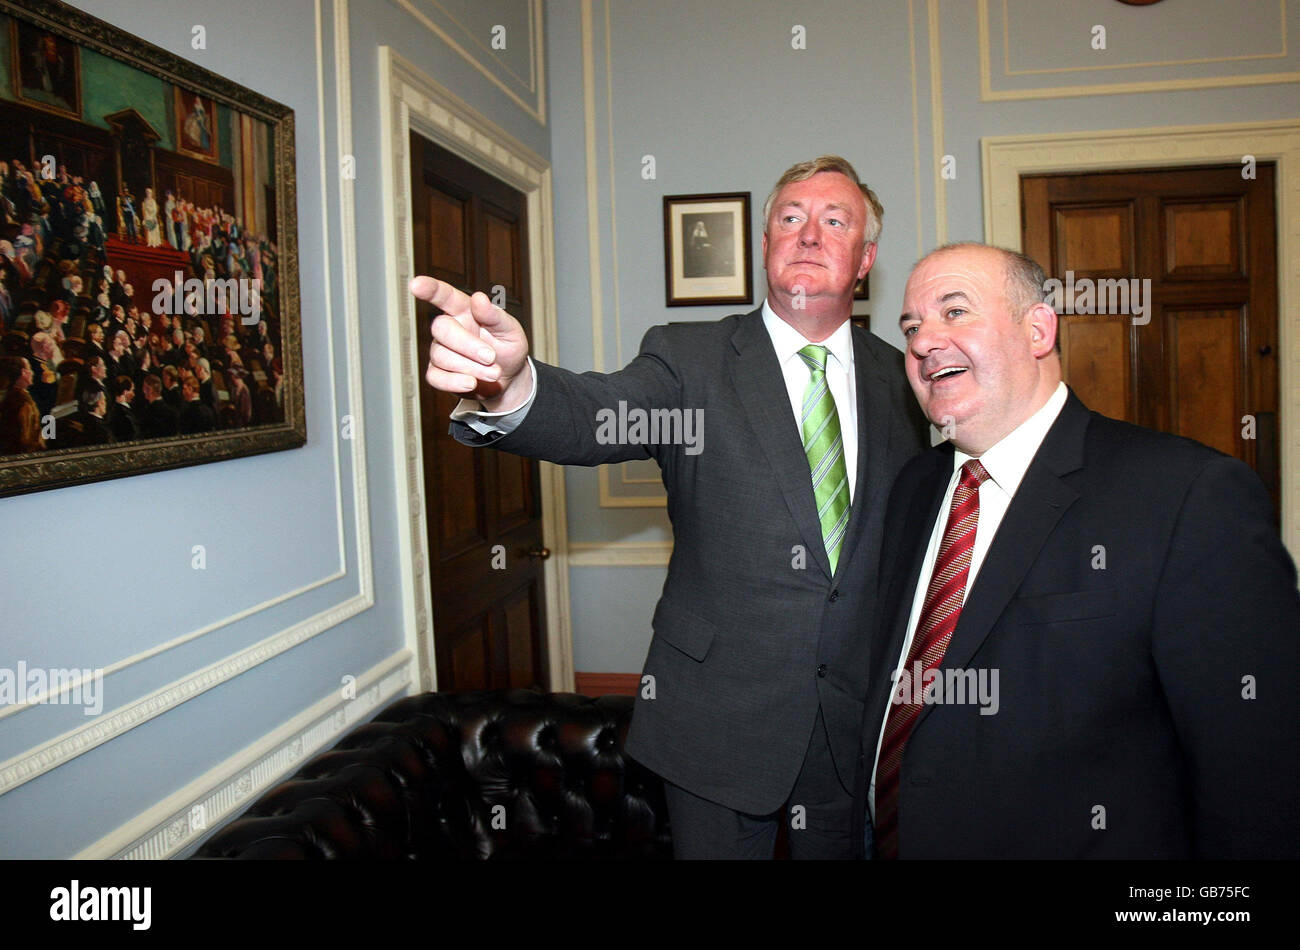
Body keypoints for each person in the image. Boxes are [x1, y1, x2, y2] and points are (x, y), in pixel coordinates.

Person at [415, 156, 929, 859]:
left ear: (865, 258)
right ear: (765, 245)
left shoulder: (903, 378)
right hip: (717, 721)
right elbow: (598, 414)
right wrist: (513, 388)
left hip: (853, 725)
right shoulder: (692, 359)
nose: (809, 233)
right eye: (790, 217)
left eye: (833, 221)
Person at [853, 242, 1300, 860]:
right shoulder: (913, 489)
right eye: (911, 327)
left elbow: (1258, 775)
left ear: (1038, 330)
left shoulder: (1185, 495)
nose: (924, 341)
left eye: (954, 313)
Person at [0, 356, 44, 454]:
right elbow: (25, 438)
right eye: (29, 369)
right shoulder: (21, 400)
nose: (32, 373)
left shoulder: (10, 396)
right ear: (23, 373)